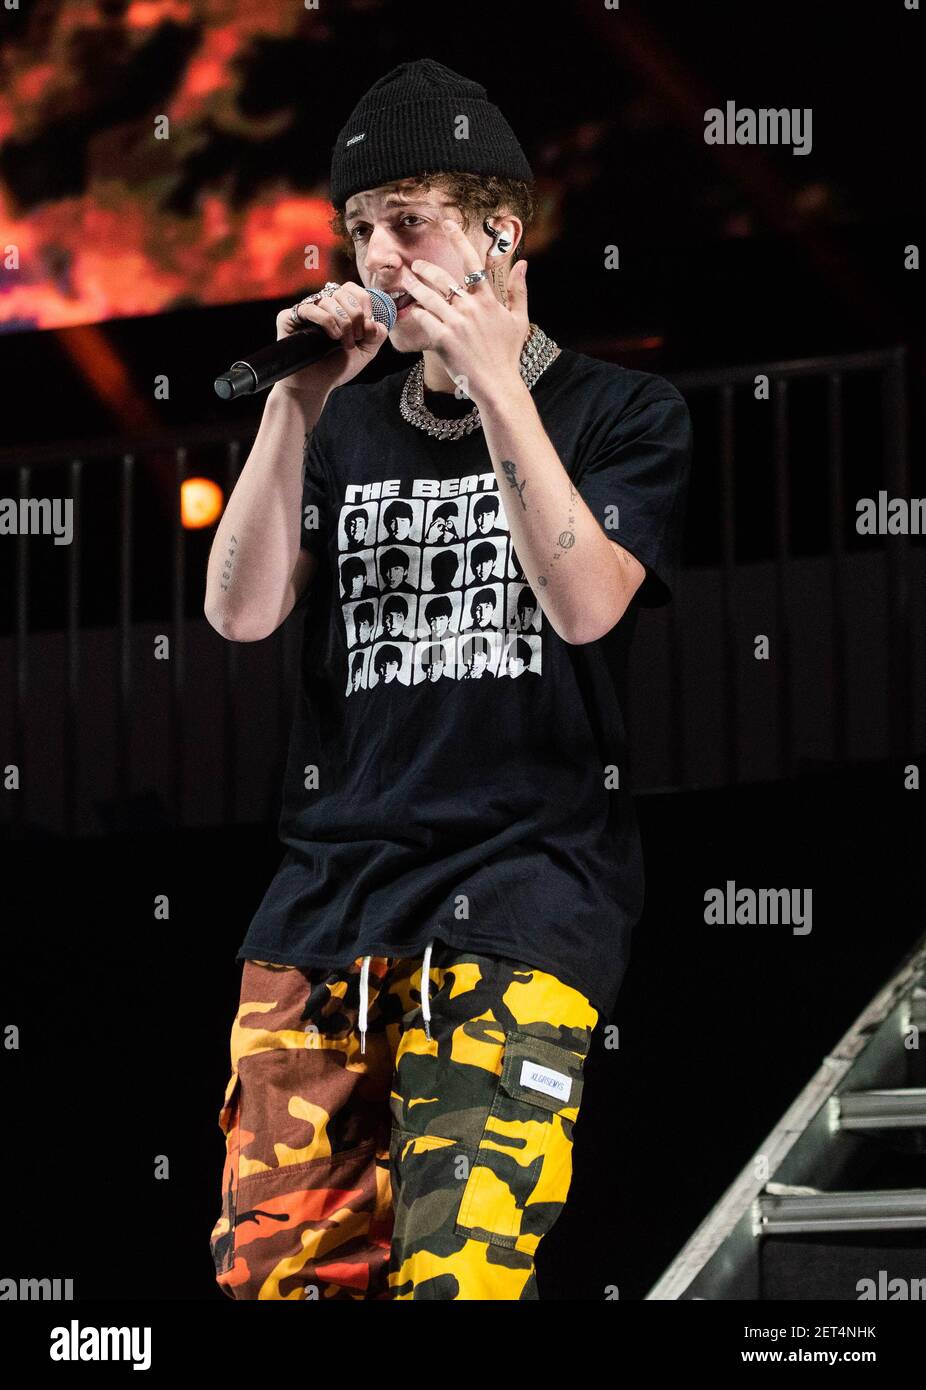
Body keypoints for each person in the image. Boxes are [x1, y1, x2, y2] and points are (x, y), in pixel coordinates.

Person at [204, 57, 692, 1301]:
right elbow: (240, 611)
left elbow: (586, 603)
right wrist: (293, 410)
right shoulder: (342, 422)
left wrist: (492, 380)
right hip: (322, 915)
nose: (378, 254)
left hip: (519, 901)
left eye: (409, 222)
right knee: (277, 1289)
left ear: (498, 232)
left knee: (455, 1283)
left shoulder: (623, 413)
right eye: (360, 228)